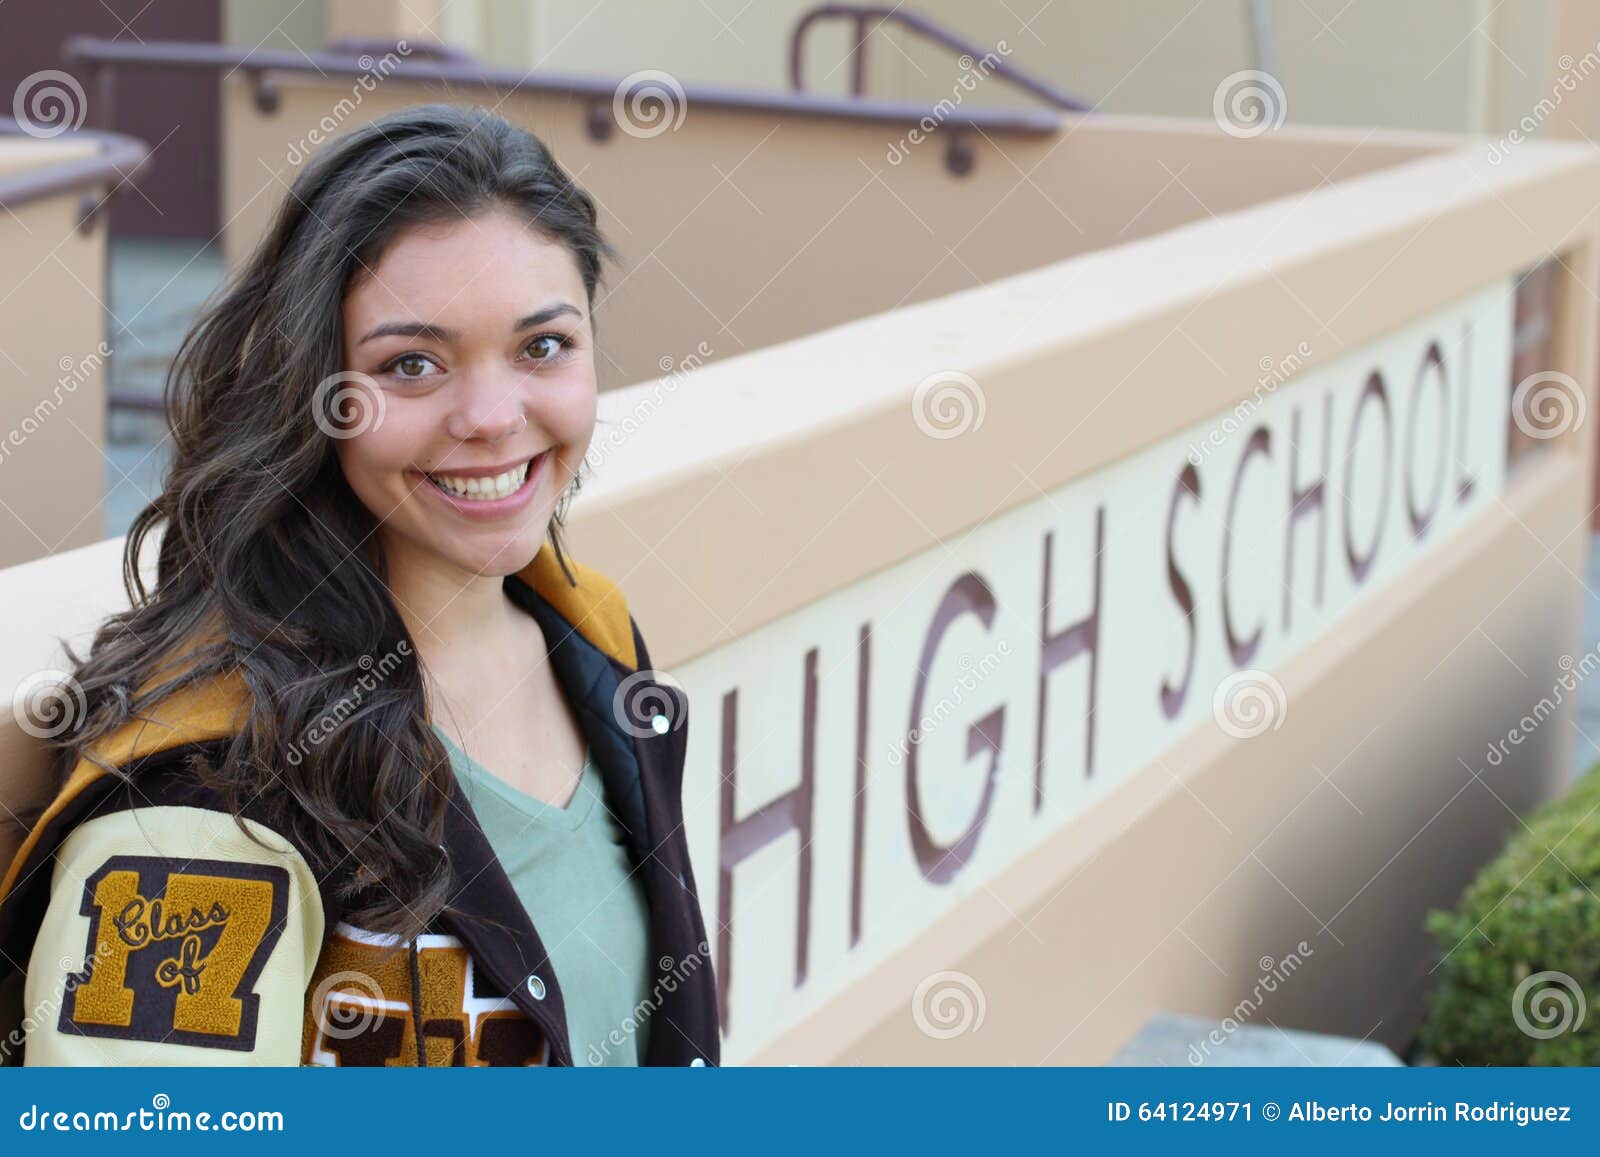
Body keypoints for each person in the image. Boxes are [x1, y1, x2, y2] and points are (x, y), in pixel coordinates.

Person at [0, 103, 719, 1067]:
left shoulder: (592, 633)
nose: (493, 416)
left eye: (542, 345)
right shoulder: (204, 792)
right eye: (411, 364)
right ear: (315, 389)